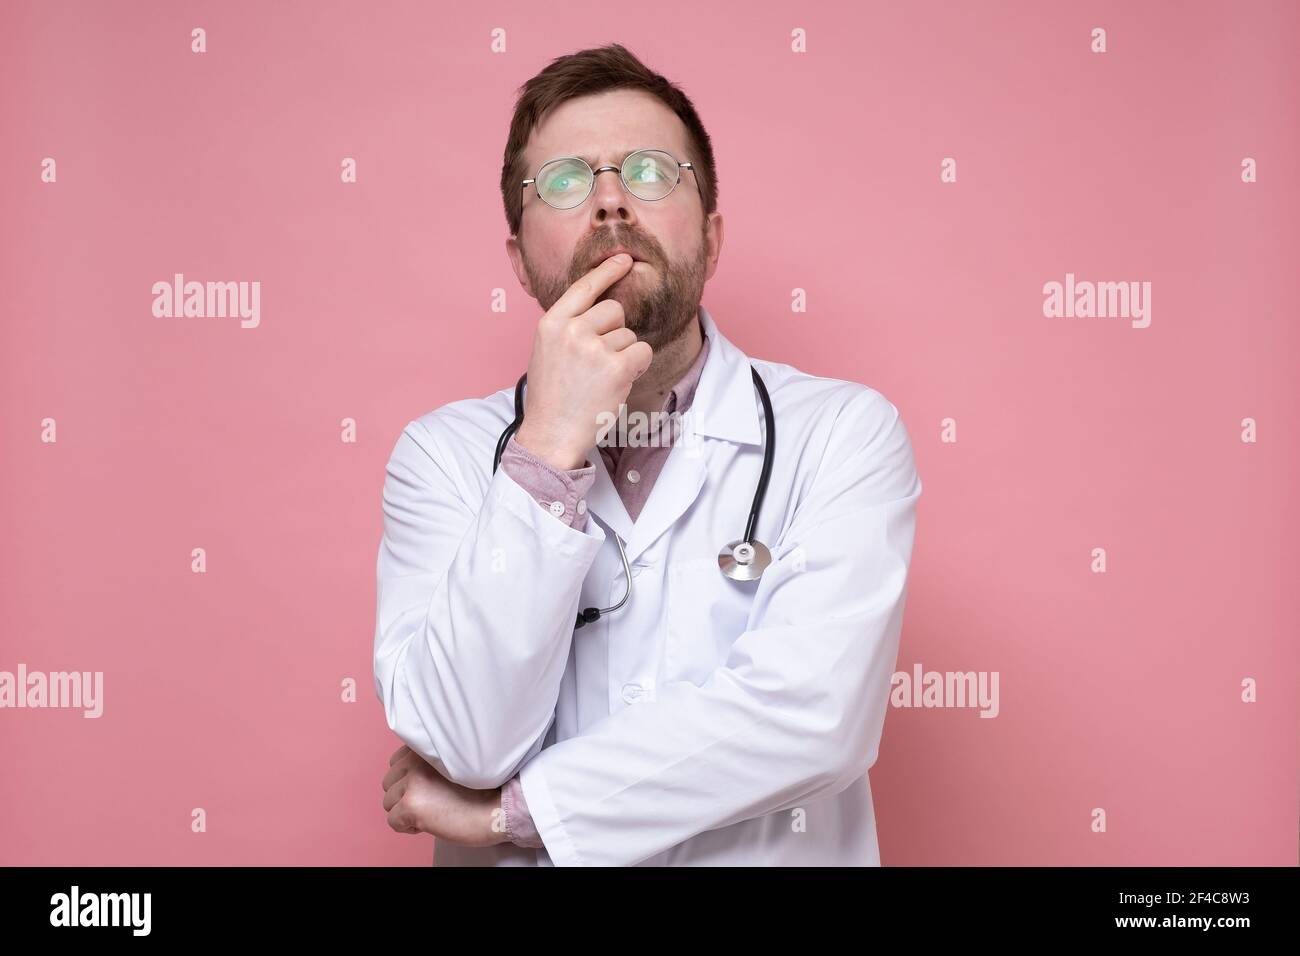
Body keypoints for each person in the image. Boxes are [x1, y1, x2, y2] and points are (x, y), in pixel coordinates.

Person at [374, 43, 922, 866]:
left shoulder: (841, 433)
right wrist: (548, 450)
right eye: (563, 180)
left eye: (651, 172)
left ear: (711, 234)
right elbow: (462, 743)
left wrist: (512, 814)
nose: (609, 204)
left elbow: (815, 720)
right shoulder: (443, 457)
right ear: (519, 258)